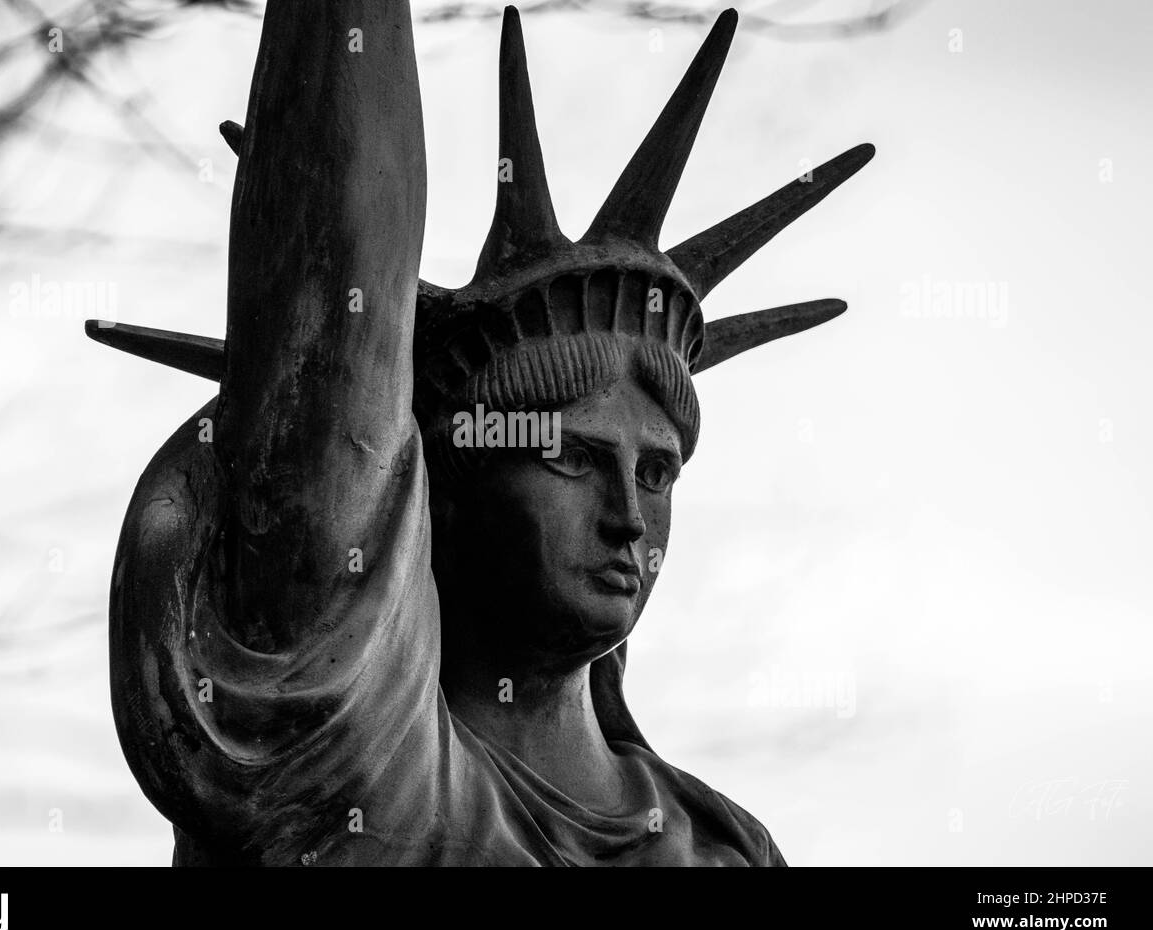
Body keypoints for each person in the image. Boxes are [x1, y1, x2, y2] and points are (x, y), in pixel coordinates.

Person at [88, 1, 873, 866]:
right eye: (570, 458)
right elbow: (338, 326)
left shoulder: (723, 850)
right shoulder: (366, 772)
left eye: (657, 473)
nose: (629, 519)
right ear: (441, 493)